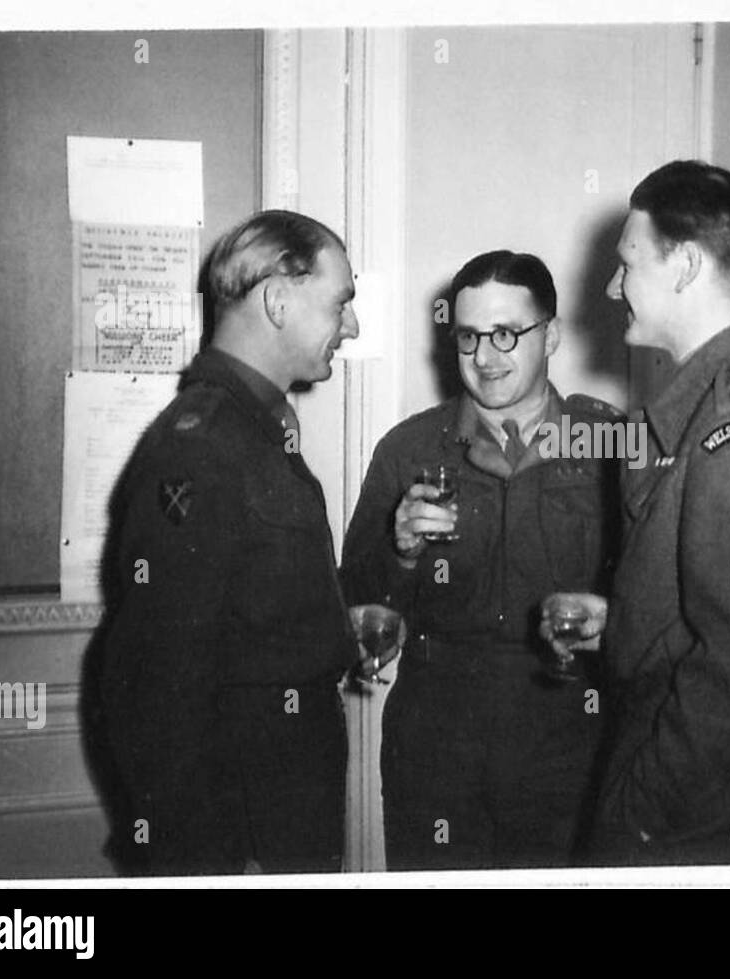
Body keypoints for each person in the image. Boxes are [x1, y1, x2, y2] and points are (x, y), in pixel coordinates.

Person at [546, 160, 730, 865]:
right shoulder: (729, 400)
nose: (614, 286)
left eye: (627, 264)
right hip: (718, 784)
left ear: (682, 266)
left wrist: (640, 804)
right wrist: (631, 622)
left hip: (709, 809)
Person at [98, 209, 361, 875]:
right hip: (244, 836)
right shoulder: (204, 445)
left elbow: (246, 613)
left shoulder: (250, 428)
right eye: (341, 303)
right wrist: (211, 862)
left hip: (281, 806)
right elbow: (156, 681)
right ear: (277, 299)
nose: (350, 327)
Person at [340, 250, 619, 870]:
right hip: (438, 742)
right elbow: (356, 601)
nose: (485, 358)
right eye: (468, 338)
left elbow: (651, 597)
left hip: (570, 735)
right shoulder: (408, 448)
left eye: (505, 335)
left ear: (551, 336)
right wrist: (401, 549)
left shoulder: (609, 445)